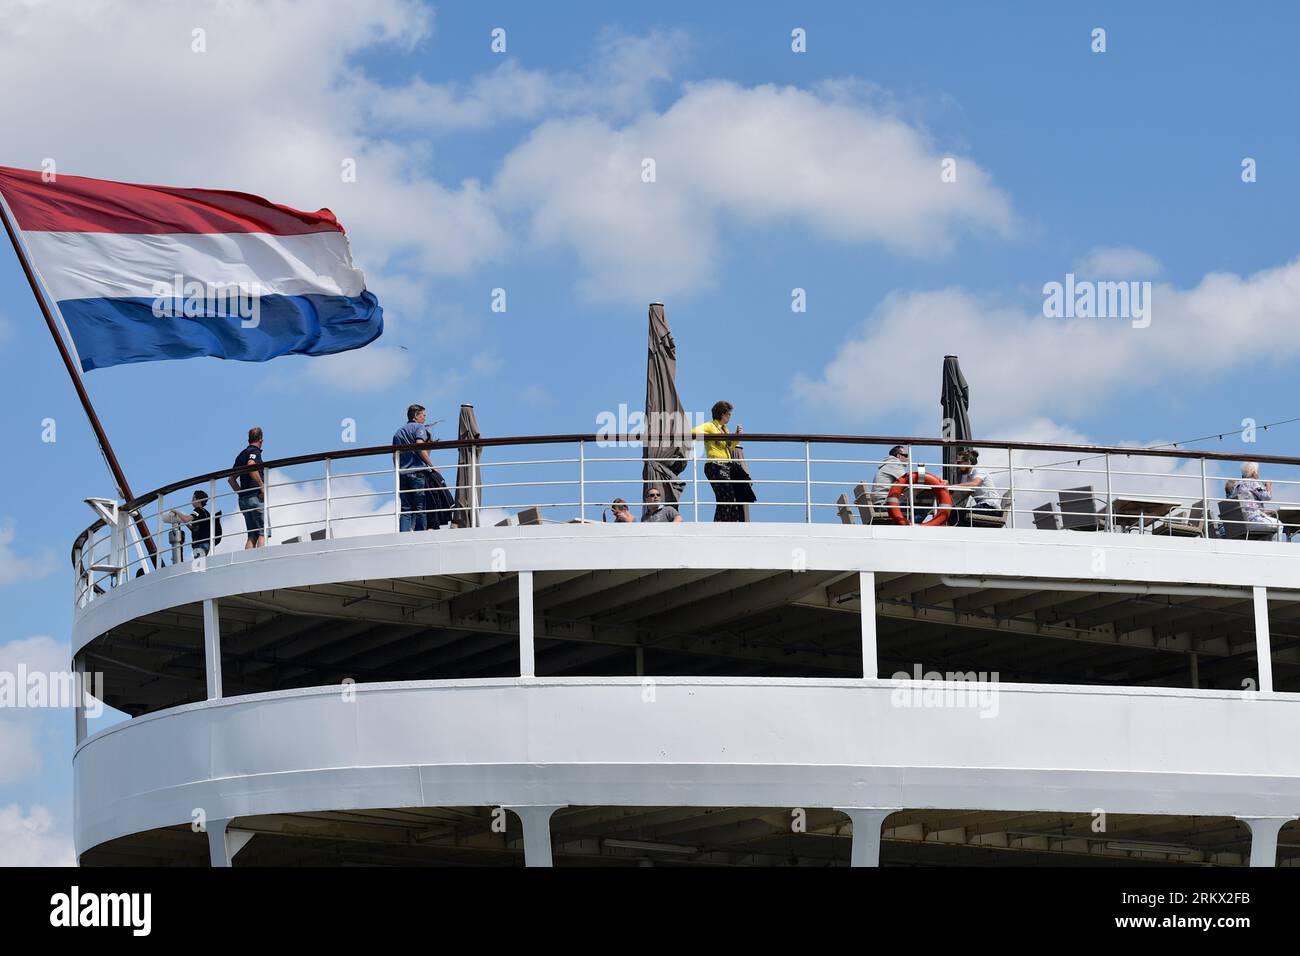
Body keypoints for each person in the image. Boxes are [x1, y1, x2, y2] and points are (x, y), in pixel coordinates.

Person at [692, 401, 745, 522]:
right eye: (729, 414)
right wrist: (709, 437)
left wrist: (736, 435)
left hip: (725, 465)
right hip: (715, 465)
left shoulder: (725, 429)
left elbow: (730, 447)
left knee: (725, 497)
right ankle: (726, 523)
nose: (730, 417)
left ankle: (719, 524)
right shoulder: (710, 426)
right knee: (728, 496)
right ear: (722, 414)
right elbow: (693, 431)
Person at [393, 404, 434, 532]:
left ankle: (404, 534)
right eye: (423, 415)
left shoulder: (398, 432)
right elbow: (419, 446)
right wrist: (432, 466)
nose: (425, 419)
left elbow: (395, 456)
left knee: (405, 508)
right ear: (416, 416)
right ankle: (420, 533)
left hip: (403, 473)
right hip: (417, 473)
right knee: (420, 507)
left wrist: (398, 471)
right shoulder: (419, 427)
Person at [228, 427, 265, 549]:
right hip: (255, 497)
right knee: (262, 532)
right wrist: (262, 487)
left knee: (251, 536)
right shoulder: (255, 452)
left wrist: (241, 493)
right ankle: (260, 560)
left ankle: (248, 561)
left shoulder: (241, 455)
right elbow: (251, 465)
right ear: (260, 440)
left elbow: (231, 480)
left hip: (244, 500)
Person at [949, 449, 1001, 527]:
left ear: (968, 462)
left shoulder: (979, 470)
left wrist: (953, 486)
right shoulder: (966, 476)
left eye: (959, 462)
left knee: (955, 514)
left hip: (990, 508)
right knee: (954, 513)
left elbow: (975, 483)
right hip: (982, 506)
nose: (958, 465)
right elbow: (963, 489)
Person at [1234, 462, 1282, 541]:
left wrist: (1263, 512)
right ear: (1253, 473)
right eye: (1258, 471)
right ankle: (1276, 548)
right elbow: (1267, 496)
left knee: (1270, 526)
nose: (1258, 474)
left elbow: (1248, 506)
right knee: (1278, 524)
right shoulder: (1252, 482)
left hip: (1242, 520)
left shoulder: (1237, 486)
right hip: (1253, 520)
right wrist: (1268, 486)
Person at [174, 489, 215, 557]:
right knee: (200, 562)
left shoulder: (198, 510)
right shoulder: (206, 512)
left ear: (198, 500)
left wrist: (176, 511)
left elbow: (186, 519)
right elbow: (194, 528)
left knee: (199, 564)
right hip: (205, 543)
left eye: (193, 498)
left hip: (200, 543)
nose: (192, 501)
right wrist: (183, 521)